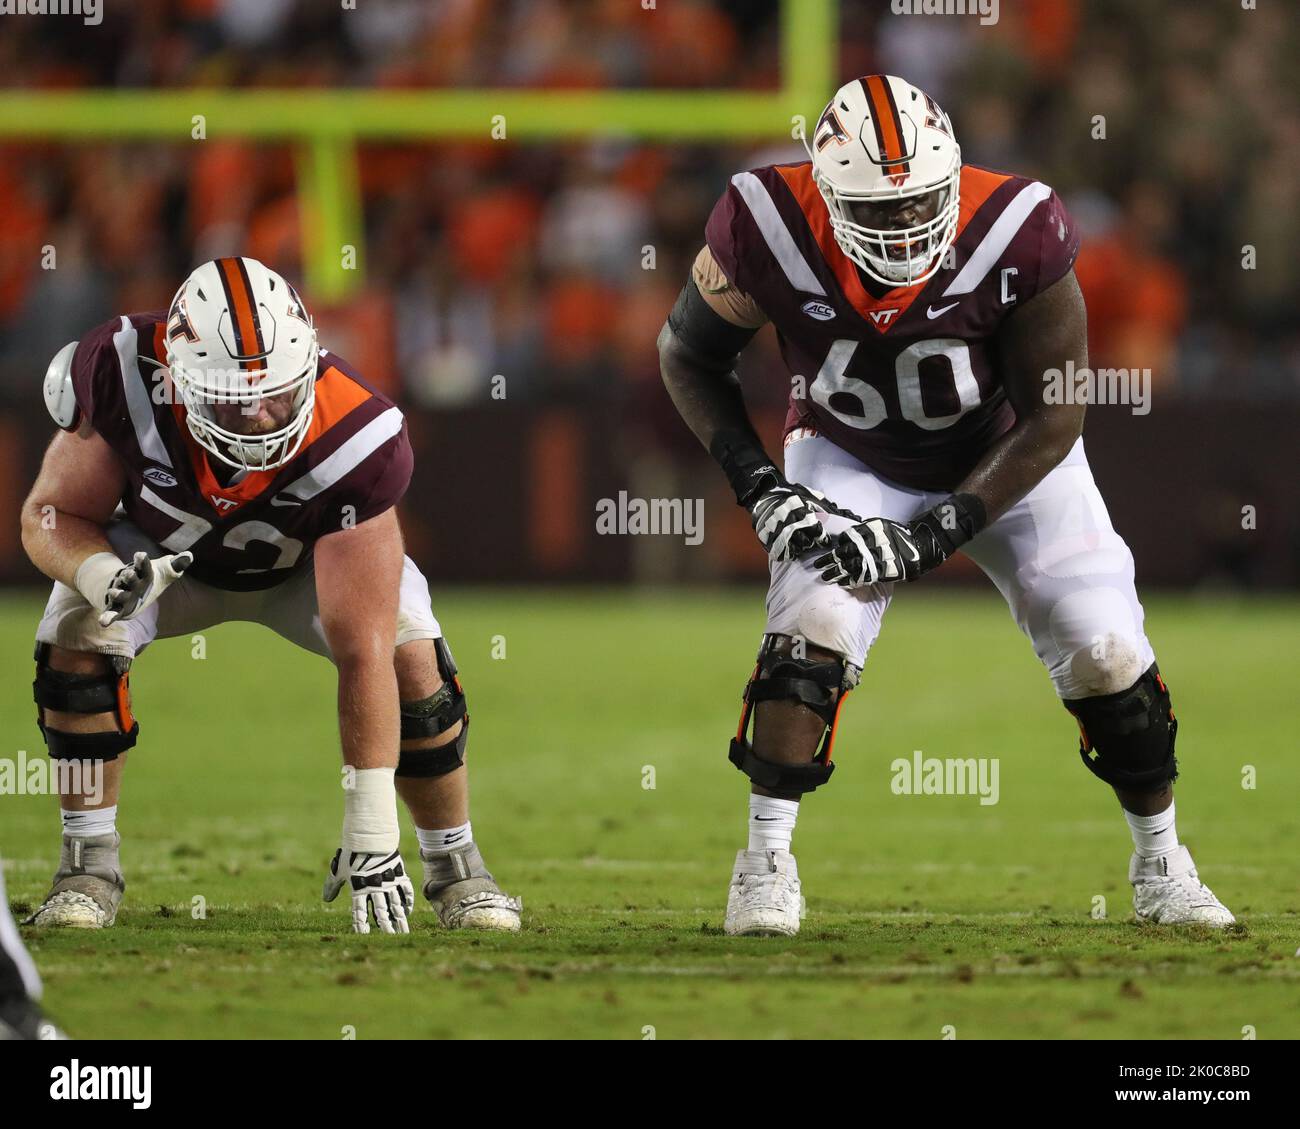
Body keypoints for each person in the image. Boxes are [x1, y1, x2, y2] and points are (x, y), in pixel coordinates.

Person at [658, 75, 1233, 936]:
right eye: (875, 211)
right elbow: (687, 357)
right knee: (807, 631)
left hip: (1007, 455)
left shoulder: (1018, 227)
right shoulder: (764, 222)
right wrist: (758, 482)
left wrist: (942, 529)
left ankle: (1162, 861)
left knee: (1108, 653)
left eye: (918, 204)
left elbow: (1056, 412)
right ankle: (764, 861)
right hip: (849, 446)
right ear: (823, 187)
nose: (898, 226)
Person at [21, 256, 520, 935]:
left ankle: (456, 864)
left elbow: (362, 645)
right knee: (76, 630)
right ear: (179, 377)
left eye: (279, 392)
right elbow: (50, 516)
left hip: (305, 570)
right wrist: (101, 576)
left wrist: (370, 827)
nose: (258, 415)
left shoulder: (357, 433)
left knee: (413, 666)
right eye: (232, 395)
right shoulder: (125, 372)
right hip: (166, 565)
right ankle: (86, 862)